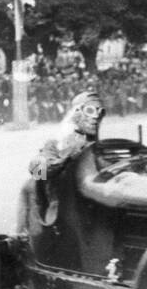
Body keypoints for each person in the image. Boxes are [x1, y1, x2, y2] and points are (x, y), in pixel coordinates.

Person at [17, 90, 104, 233]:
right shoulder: (60, 142)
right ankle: (20, 237)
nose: (96, 117)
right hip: (67, 208)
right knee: (29, 186)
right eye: (90, 111)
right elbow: (36, 170)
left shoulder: (104, 144)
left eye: (100, 113)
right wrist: (66, 158)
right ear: (77, 113)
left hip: (99, 202)